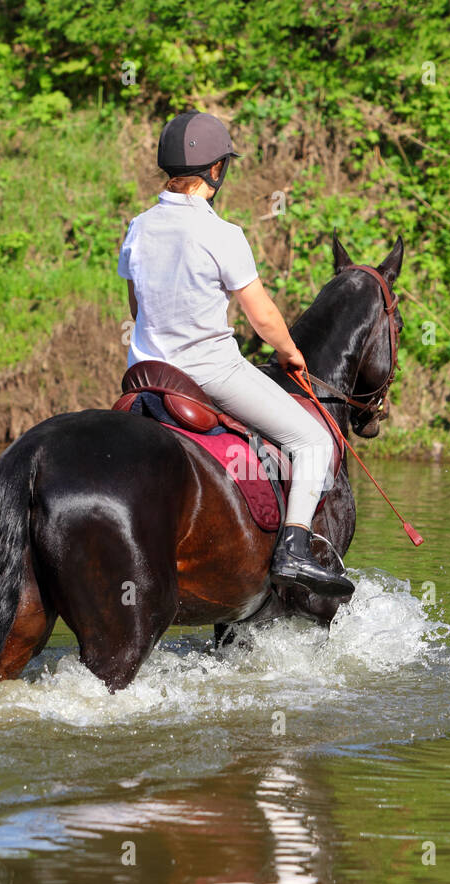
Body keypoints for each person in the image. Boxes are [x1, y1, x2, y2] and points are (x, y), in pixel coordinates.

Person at [118, 110, 353, 599]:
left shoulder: (138, 228)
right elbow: (262, 317)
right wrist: (290, 355)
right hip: (209, 373)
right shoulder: (222, 234)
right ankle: (292, 549)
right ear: (216, 171)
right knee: (314, 443)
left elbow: (137, 305)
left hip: (146, 375)